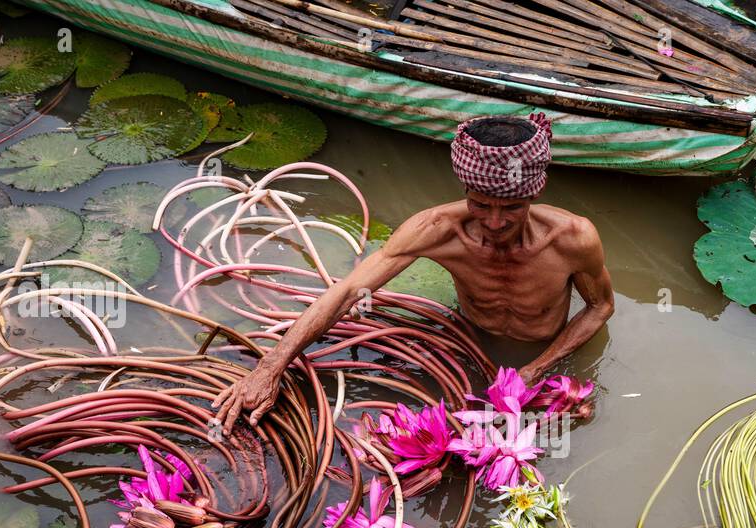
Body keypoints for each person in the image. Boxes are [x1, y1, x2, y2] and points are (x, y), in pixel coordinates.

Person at [212, 113, 615, 433]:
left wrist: (536, 369)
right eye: (479, 205)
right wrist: (270, 367)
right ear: (465, 192)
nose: (493, 223)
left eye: (510, 208)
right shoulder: (435, 230)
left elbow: (600, 307)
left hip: (545, 355)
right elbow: (349, 290)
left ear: (532, 194)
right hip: (467, 344)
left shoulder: (573, 239)